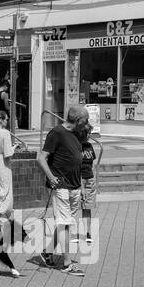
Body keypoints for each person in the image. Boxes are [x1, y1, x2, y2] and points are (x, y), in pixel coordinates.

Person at [36, 104, 89, 273]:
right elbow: (41, 158)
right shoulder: (57, 133)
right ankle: (67, 263)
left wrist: (82, 186)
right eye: (86, 120)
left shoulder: (77, 133)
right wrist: (51, 178)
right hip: (61, 186)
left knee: (65, 224)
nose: (88, 123)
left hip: (74, 185)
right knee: (65, 224)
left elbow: (76, 159)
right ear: (79, 120)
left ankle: (48, 252)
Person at [75, 117, 103, 250]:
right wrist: (81, 186)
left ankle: (87, 232)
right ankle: (73, 232)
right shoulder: (76, 146)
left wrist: (95, 182)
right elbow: (77, 168)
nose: (90, 136)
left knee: (87, 207)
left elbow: (92, 164)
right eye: (88, 133)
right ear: (82, 133)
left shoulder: (89, 146)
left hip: (89, 179)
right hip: (79, 179)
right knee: (75, 207)